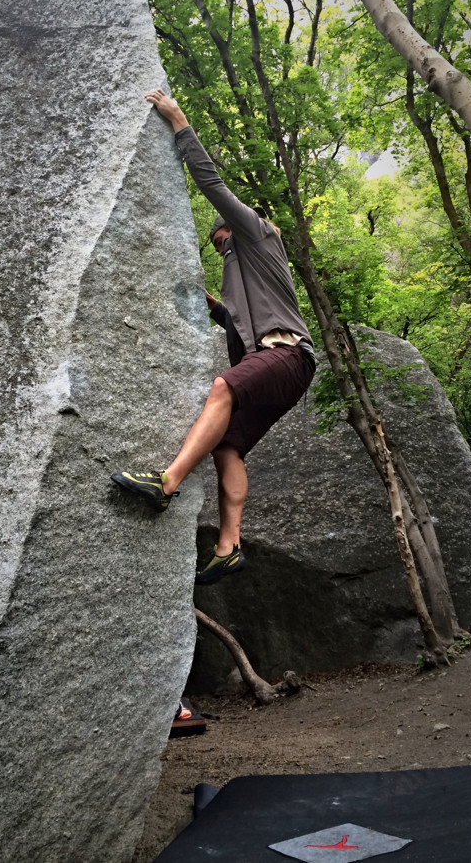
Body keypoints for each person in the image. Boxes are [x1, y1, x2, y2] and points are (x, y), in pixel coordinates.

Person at [111, 89, 315, 585]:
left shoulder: (259, 237)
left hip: (287, 354)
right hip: (279, 364)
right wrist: (212, 307)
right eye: (218, 248)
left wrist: (179, 122)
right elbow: (240, 321)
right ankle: (229, 547)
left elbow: (212, 184)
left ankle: (167, 482)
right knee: (227, 449)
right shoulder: (248, 275)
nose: (223, 251)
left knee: (222, 388)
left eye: (224, 243)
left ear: (240, 230)